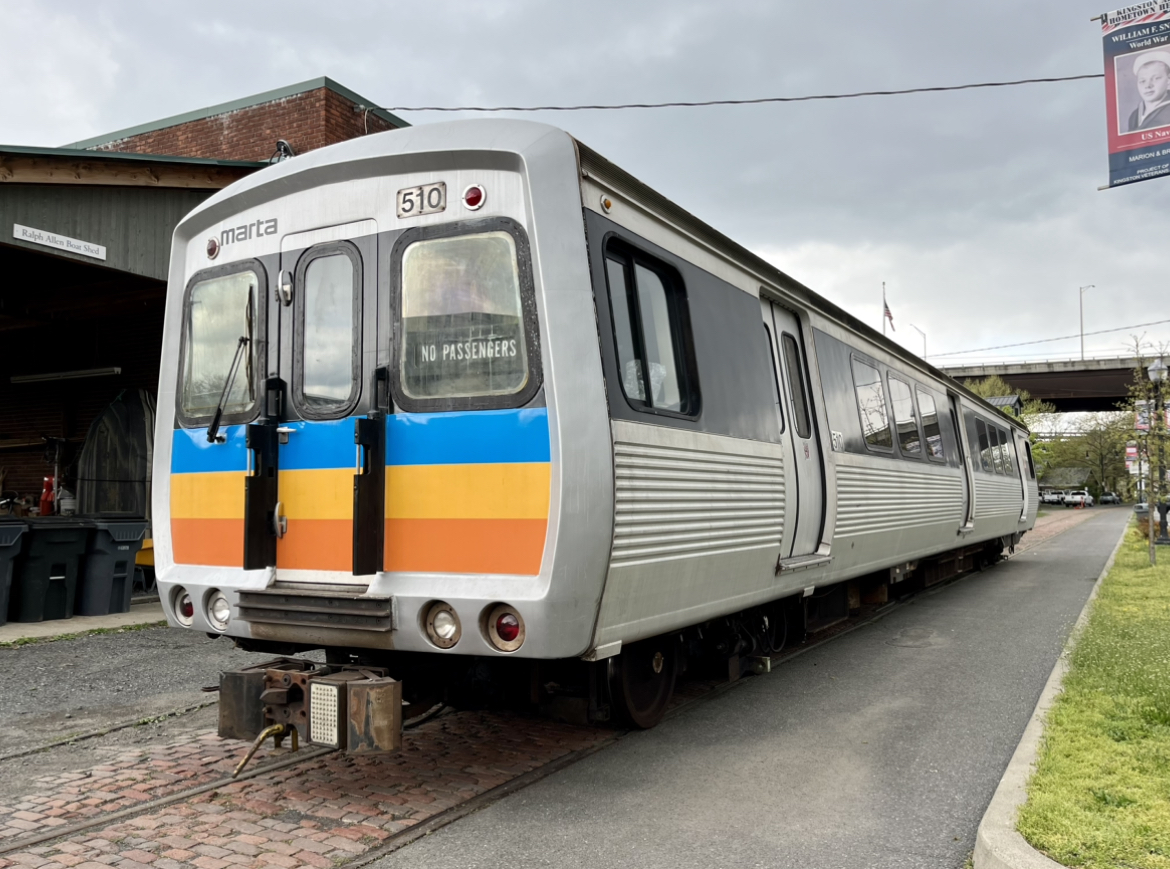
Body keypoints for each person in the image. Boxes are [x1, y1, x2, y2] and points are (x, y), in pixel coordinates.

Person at [1127, 50, 1170, 132]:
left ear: (1168, 81)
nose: (1148, 86)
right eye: (1142, 81)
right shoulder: (1134, 115)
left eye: (1156, 78)